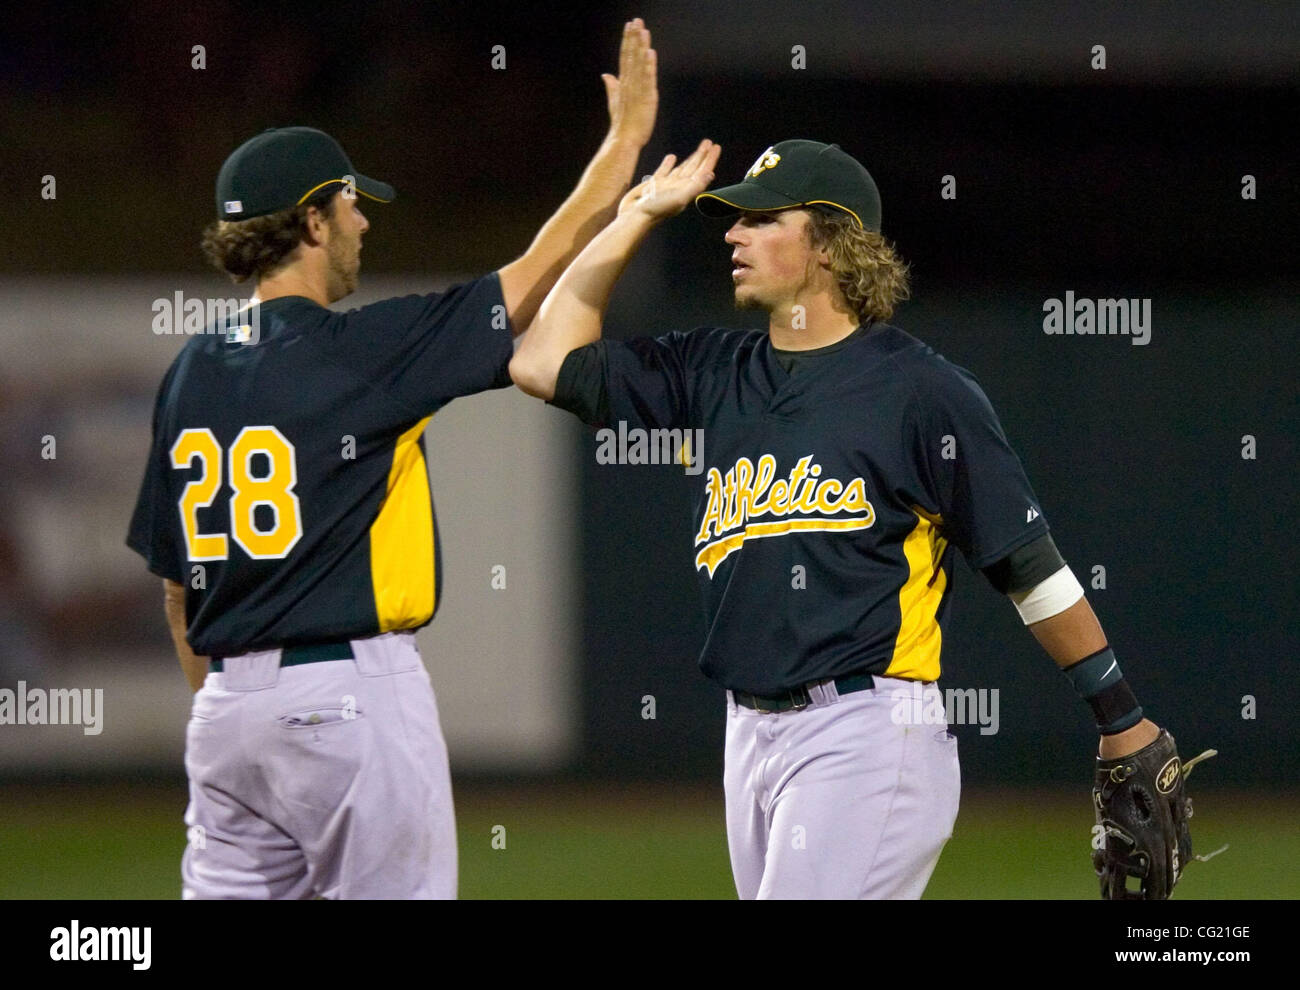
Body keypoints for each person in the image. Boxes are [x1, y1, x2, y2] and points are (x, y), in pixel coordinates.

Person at [509, 138, 1202, 899]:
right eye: (735, 219)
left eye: (764, 218)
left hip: (866, 732)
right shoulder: (712, 371)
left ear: (833, 246)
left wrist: (1121, 715)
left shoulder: (921, 390)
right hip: (749, 734)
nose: (733, 234)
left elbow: (1027, 567)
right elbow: (540, 361)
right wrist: (634, 216)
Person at [125, 20, 659, 899]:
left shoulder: (190, 372)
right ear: (309, 220)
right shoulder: (360, 350)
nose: (361, 219)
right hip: (347, 696)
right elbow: (534, 274)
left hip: (224, 713)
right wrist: (624, 147)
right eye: (347, 203)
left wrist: (234, 710)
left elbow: (178, 588)